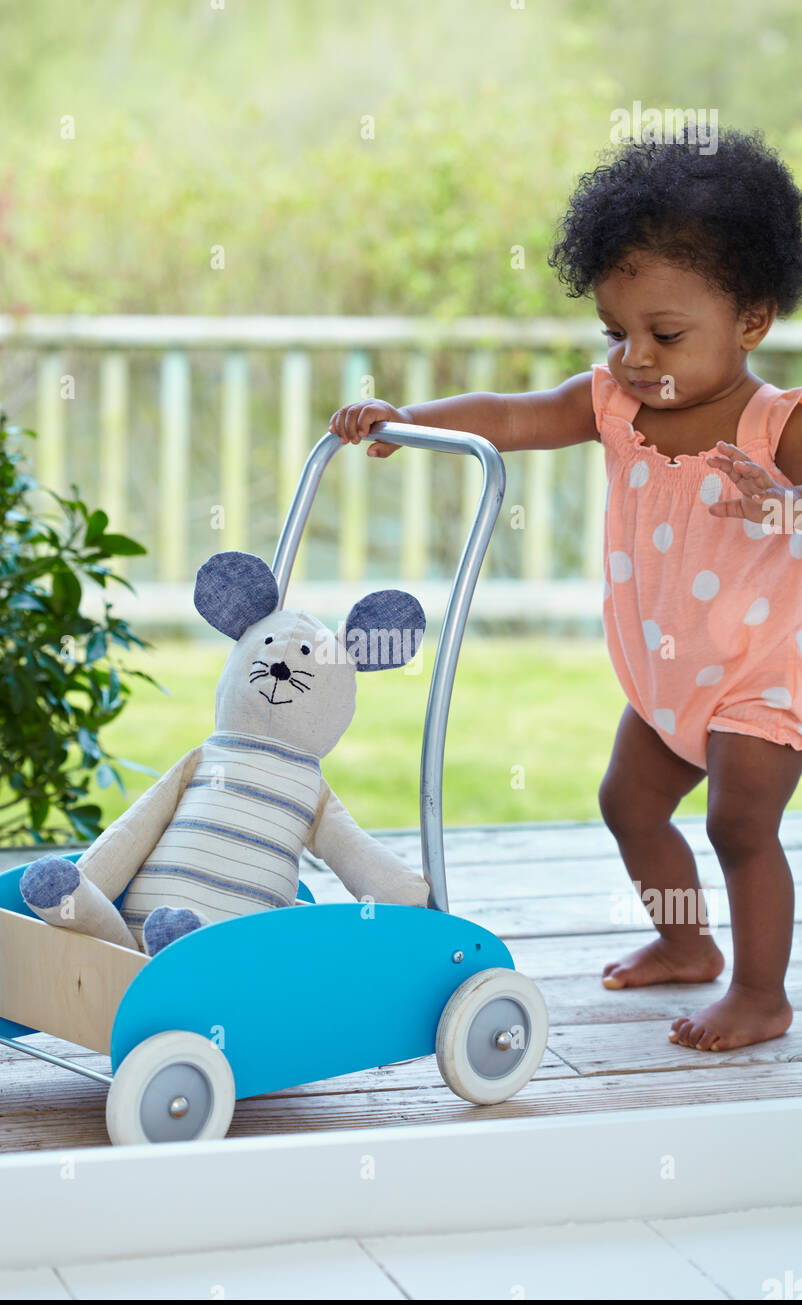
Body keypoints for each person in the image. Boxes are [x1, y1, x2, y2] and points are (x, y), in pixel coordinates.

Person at [329, 127, 802, 1053]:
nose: (635, 355)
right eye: (616, 332)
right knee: (627, 804)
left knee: (739, 824)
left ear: (752, 318)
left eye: (664, 334)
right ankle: (684, 941)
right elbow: (511, 416)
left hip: (764, 672)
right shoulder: (615, 406)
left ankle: (760, 992)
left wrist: (785, 507)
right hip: (669, 679)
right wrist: (407, 420)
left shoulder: (772, 427)